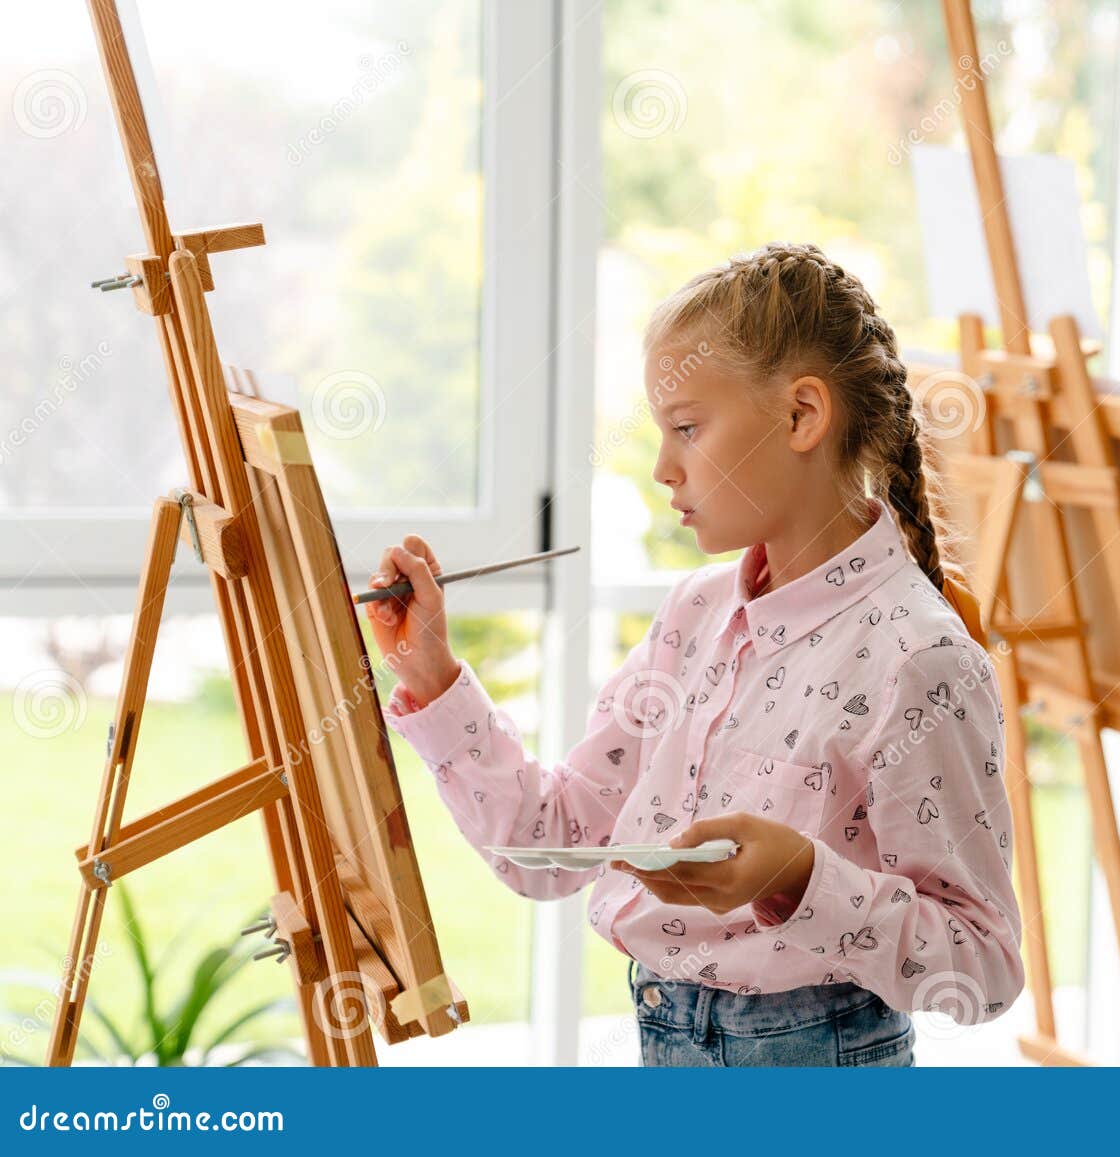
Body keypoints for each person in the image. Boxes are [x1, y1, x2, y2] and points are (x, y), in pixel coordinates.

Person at [369, 242, 1024, 1066]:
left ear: (800, 417)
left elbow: (983, 964)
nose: (661, 467)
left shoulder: (916, 659)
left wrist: (800, 878)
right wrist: (430, 672)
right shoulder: (693, 615)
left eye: (686, 427)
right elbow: (550, 838)